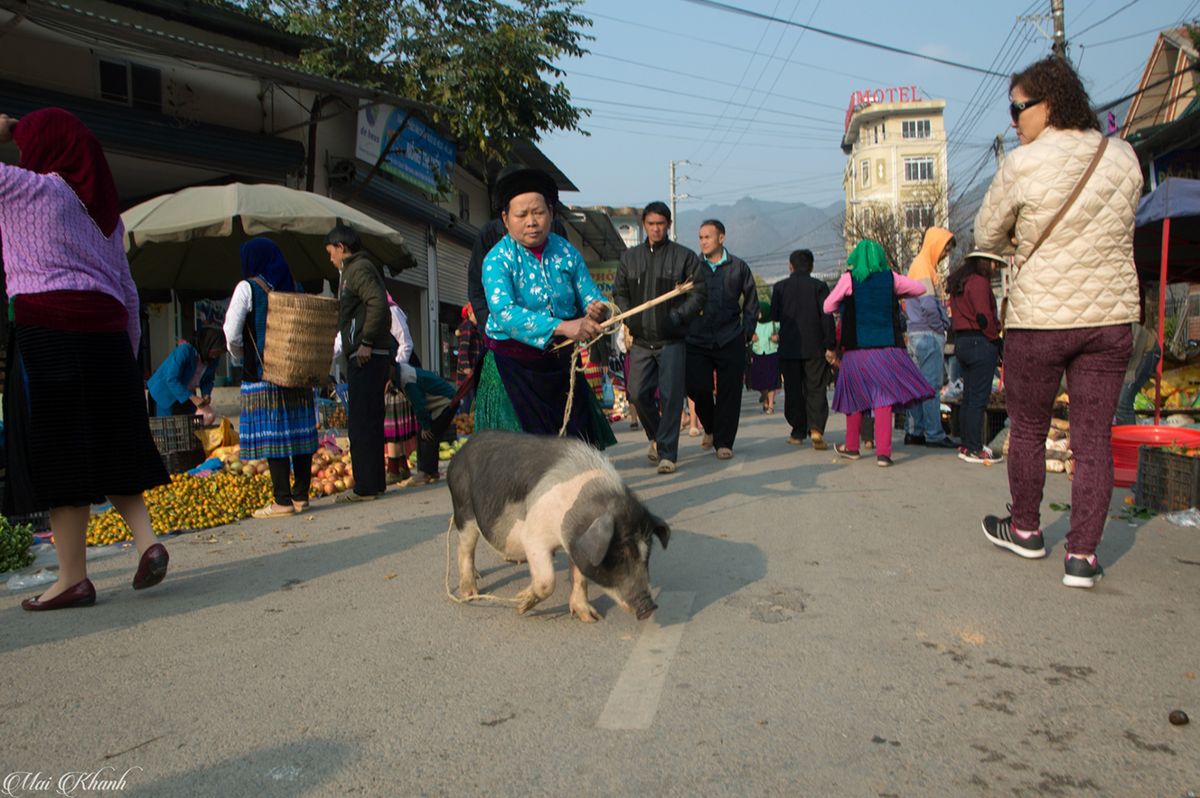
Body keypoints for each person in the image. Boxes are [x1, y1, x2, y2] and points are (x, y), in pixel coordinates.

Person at [974, 56, 1142, 588]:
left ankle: (1025, 529)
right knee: (1094, 439)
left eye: (1017, 108)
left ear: (1047, 105)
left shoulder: (1023, 163)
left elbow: (985, 235)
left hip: (1041, 317)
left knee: (1027, 427)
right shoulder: (1122, 156)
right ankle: (1083, 557)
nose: (1013, 120)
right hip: (1110, 316)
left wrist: (1017, 244)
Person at [1, 108, 169, 610]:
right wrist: (128, 357)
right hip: (109, 338)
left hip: (48, 331)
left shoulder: (27, 188)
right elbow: (130, 294)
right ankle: (148, 542)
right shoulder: (107, 220)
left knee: (61, 452)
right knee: (114, 444)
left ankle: (72, 578)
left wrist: (6, 129)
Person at [475, 170, 615, 446]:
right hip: (512, 367)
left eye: (538, 212)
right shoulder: (497, 260)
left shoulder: (566, 251)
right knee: (520, 457)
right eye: (521, 215)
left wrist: (597, 310)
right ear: (505, 219)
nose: (531, 222)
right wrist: (565, 326)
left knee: (576, 449)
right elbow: (504, 313)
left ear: (550, 212)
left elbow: (590, 295)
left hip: (559, 363)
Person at [223, 238, 318, 518]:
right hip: (297, 372)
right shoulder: (295, 286)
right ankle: (301, 496)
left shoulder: (247, 287)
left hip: (264, 374)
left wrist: (241, 355)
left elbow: (231, 332)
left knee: (274, 435)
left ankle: (282, 501)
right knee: (300, 432)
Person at [612, 201, 707, 474]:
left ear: (668, 225)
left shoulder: (684, 257)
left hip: (672, 341)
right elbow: (620, 292)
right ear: (644, 225)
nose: (655, 229)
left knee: (671, 397)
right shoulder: (630, 258)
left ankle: (668, 454)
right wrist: (629, 316)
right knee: (637, 393)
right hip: (641, 340)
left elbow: (698, 293)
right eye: (651, 224)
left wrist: (677, 316)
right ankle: (655, 436)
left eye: (660, 224)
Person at [823, 239, 936, 467]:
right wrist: (894, 294)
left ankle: (852, 447)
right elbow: (920, 288)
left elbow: (827, 306)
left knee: (854, 399)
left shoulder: (849, 279)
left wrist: (843, 306)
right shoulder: (890, 278)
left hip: (856, 351)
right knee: (882, 399)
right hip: (887, 350)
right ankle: (883, 454)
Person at [326, 223, 395, 501]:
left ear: (342, 248)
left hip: (366, 355)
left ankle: (366, 486)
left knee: (361, 422)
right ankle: (374, 483)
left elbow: (377, 302)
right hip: (368, 352)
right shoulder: (356, 270)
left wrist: (366, 342)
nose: (330, 259)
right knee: (369, 420)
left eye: (331, 252)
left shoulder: (358, 269)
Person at [686, 219, 758, 460]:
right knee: (697, 387)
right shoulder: (693, 267)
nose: (703, 242)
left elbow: (751, 300)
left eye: (707, 237)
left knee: (730, 392)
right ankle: (712, 427)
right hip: (697, 339)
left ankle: (724, 442)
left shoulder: (739, 267)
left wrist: (747, 330)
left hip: (730, 337)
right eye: (700, 237)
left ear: (721, 238)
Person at [770, 249, 837, 449]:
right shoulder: (819, 287)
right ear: (811, 266)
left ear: (790, 266)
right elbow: (827, 318)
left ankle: (798, 431)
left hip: (789, 348)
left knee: (793, 389)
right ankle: (816, 430)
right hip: (815, 348)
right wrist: (830, 345)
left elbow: (774, 315)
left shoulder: (780, 288)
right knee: (816, 388)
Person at [946, 252, 1005, 463]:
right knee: (978, 399)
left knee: (969, 397)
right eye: (994, 263)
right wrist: (996, 340)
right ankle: (974, 447)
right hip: (980, 342)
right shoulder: (979, 283)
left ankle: (967, 444)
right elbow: (985, 318)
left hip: (962, 342)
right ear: (985, 262)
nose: (996, 268)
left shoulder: (959, 283)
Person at [903, 227, 958, 449]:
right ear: (936, 243)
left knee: (916, 386)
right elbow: (928, 305)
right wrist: (942, 326)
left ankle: (914, 431)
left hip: (915, 333)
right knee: (930, 387)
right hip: (928, 334)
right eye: (945, 248)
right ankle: (934, 433)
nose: (945, 254)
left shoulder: (918, 265)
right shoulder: (925, 266)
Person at [396, 363, 458, 486]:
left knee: (428, 434)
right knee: (429, 433)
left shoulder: (407, 379)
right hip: (445, 401)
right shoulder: (401, 373)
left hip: (445, 402)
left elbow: (419, 405)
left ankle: (424, 473)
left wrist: (425, 426)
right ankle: (432, 472)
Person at [147, 327, 225, 417]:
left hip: (186, 395)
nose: (215, 356)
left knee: (190, 425)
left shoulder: (212, 360)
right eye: (214, 352)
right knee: (166, 427)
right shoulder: (185, 351)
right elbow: (171, 379)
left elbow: (208, 379)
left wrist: (206, 393)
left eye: (219, 353)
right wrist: (192, 398)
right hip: (164, 394)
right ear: (208, 345)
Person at [748, 301, 781, 415]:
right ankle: (765, 397)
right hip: (757, 354)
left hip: (772, 353)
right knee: (760, 380)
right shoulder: (753, 323)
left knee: (772, 380)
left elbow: (783, 333)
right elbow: (746, 334)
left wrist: (778, 337)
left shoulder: (775, 323)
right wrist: (751, 337)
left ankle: (771, 405)